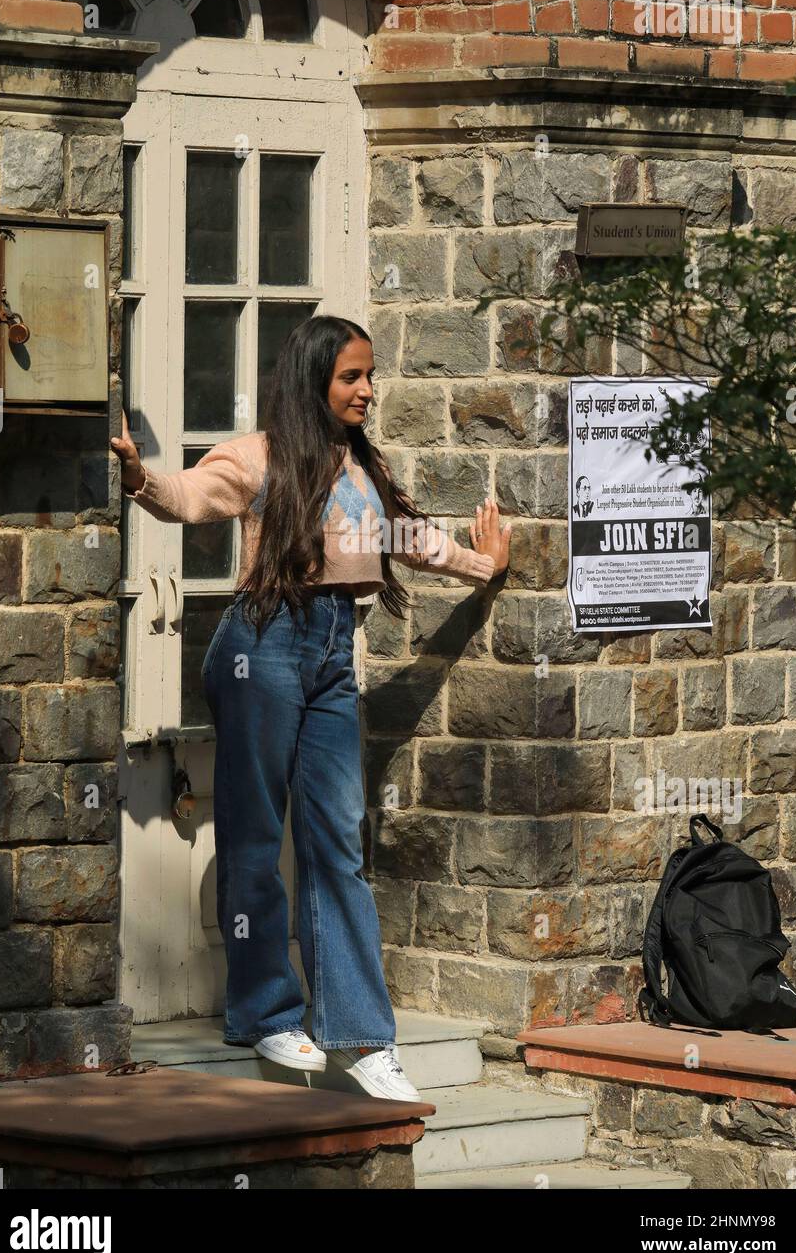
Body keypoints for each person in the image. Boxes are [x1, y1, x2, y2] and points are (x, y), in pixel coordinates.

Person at [110, 315, 512, 1102]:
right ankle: (265, 1013)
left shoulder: (364, 468)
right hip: (261, 644)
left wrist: (484, 565)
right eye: (350, 378)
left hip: (334, 650)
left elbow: (413, 541)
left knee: (338, 843)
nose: (367, 390)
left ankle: (360, 1038)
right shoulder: (260, 455)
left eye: (369, 376)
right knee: (257, 836)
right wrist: (140, 479)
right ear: (314, 382)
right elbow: (188, 498)